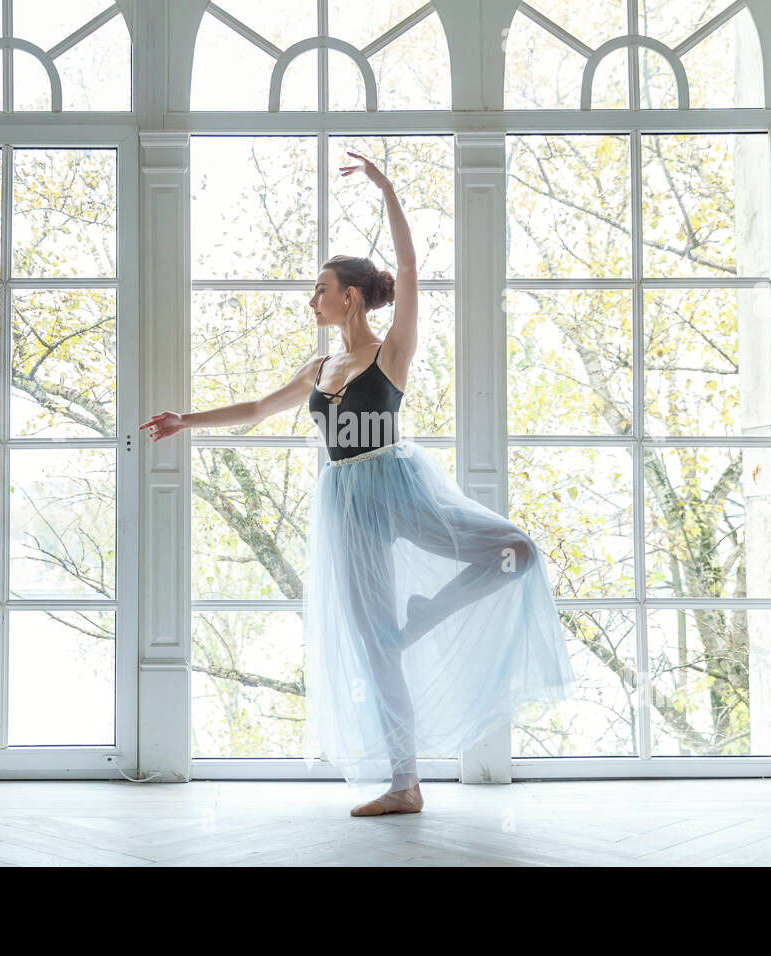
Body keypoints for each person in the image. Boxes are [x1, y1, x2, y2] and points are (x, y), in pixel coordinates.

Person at [143, 152, 577, 817]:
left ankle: (430, 610)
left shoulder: (390, 349)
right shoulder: (320, 364)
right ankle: (406, 785)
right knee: (378, 642)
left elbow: (406, 272)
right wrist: (185, 421)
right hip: (345, 502)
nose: (310, 299)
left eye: (319, 288)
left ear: (348, 295)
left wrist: (388, 191)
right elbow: (259, 409)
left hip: (399, 486)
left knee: (515, 550)